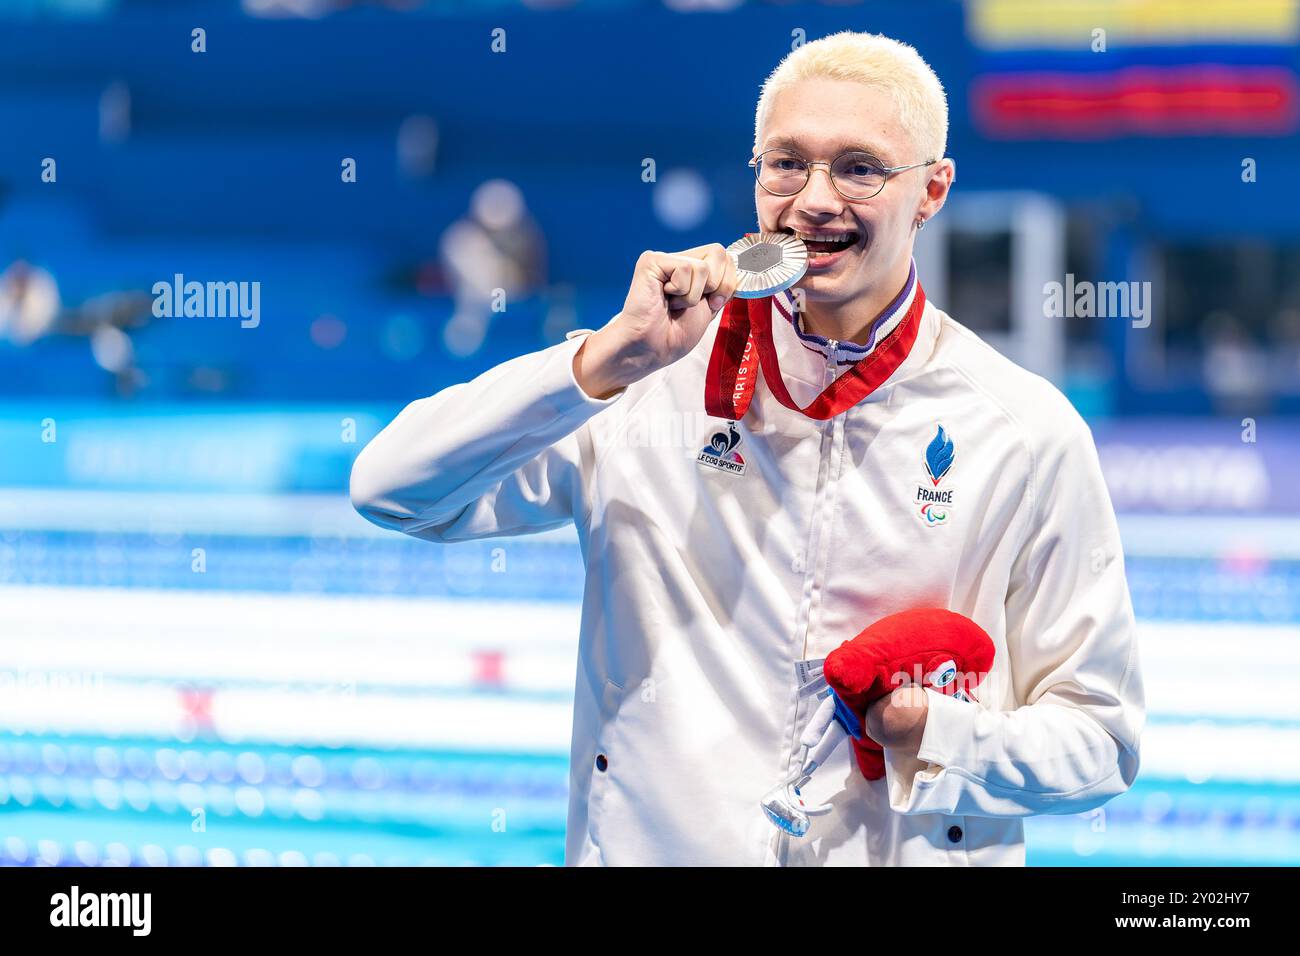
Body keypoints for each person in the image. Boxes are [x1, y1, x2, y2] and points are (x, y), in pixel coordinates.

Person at [351, 31, 1145, 866]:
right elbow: (391, 486)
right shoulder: (643, 382)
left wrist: (935, 733)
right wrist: (595, 364)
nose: (814, 199)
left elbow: (1104, 738)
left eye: (860, 168)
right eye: (786, 164)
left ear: (931, 192)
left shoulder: (1022, 429)